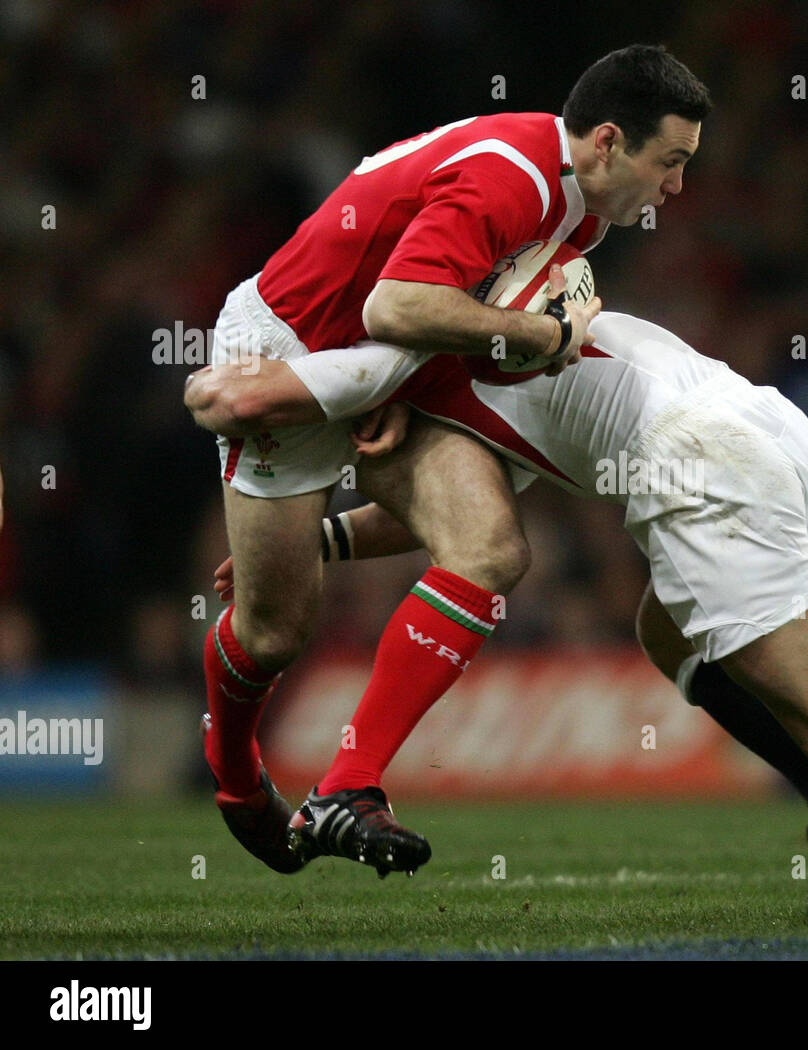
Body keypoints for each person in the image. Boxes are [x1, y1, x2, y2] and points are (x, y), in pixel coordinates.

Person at [206, 303, 808, 918]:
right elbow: (463, 502)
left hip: (700, 466)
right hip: (774, 433)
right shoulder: (498, 327)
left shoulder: (414, 373)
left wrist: (282, 496)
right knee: (666, 633)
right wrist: (323, 542)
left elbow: (265, 407)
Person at [184, 44, 710, 878]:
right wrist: (540, 335)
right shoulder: (514, 177)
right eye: (671, 162)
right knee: (275, 632)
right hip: (289, 344)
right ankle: (237, 779)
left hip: (392, 362)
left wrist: (416, 380)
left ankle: (346, 788)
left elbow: (436, 310)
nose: (677, 188)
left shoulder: (587, 212)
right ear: (608, 141)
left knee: (491, 548)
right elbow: (395, 303)